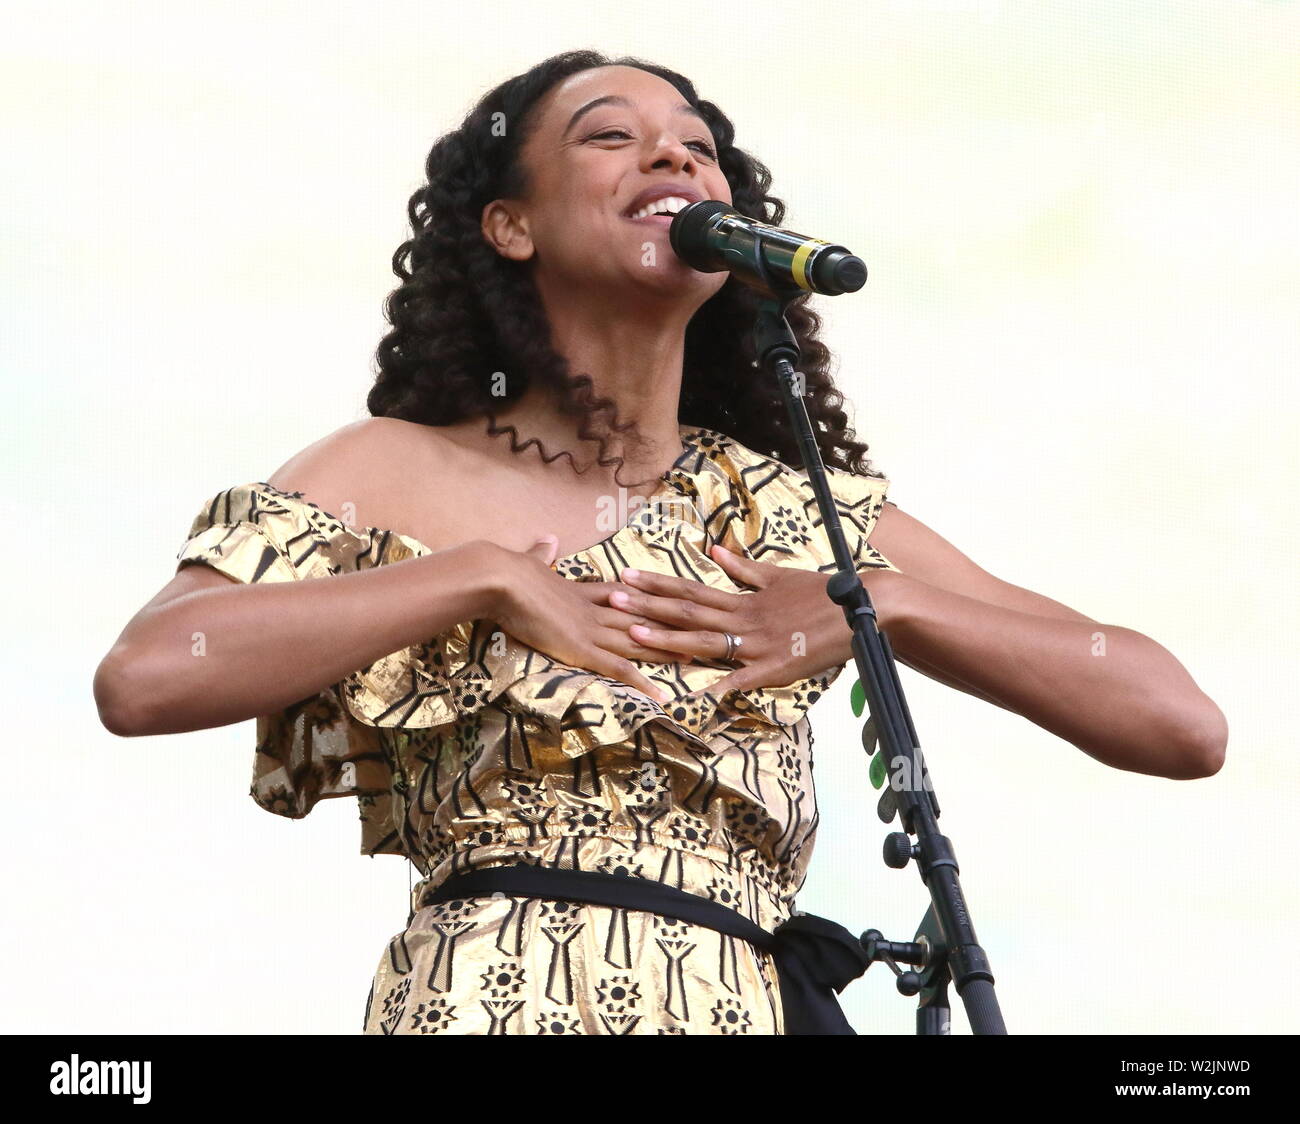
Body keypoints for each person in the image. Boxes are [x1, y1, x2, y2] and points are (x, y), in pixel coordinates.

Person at [93, 51, 1229, 1035]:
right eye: (612, 138)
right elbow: (148, 672)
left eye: (697, 148)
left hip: (740, 991)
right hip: (495, 992)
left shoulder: (791, 510)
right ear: (510, 223)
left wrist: (874, 600)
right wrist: (475, 576)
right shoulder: (396, 467)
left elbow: (1176, 720)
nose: (675, 162)